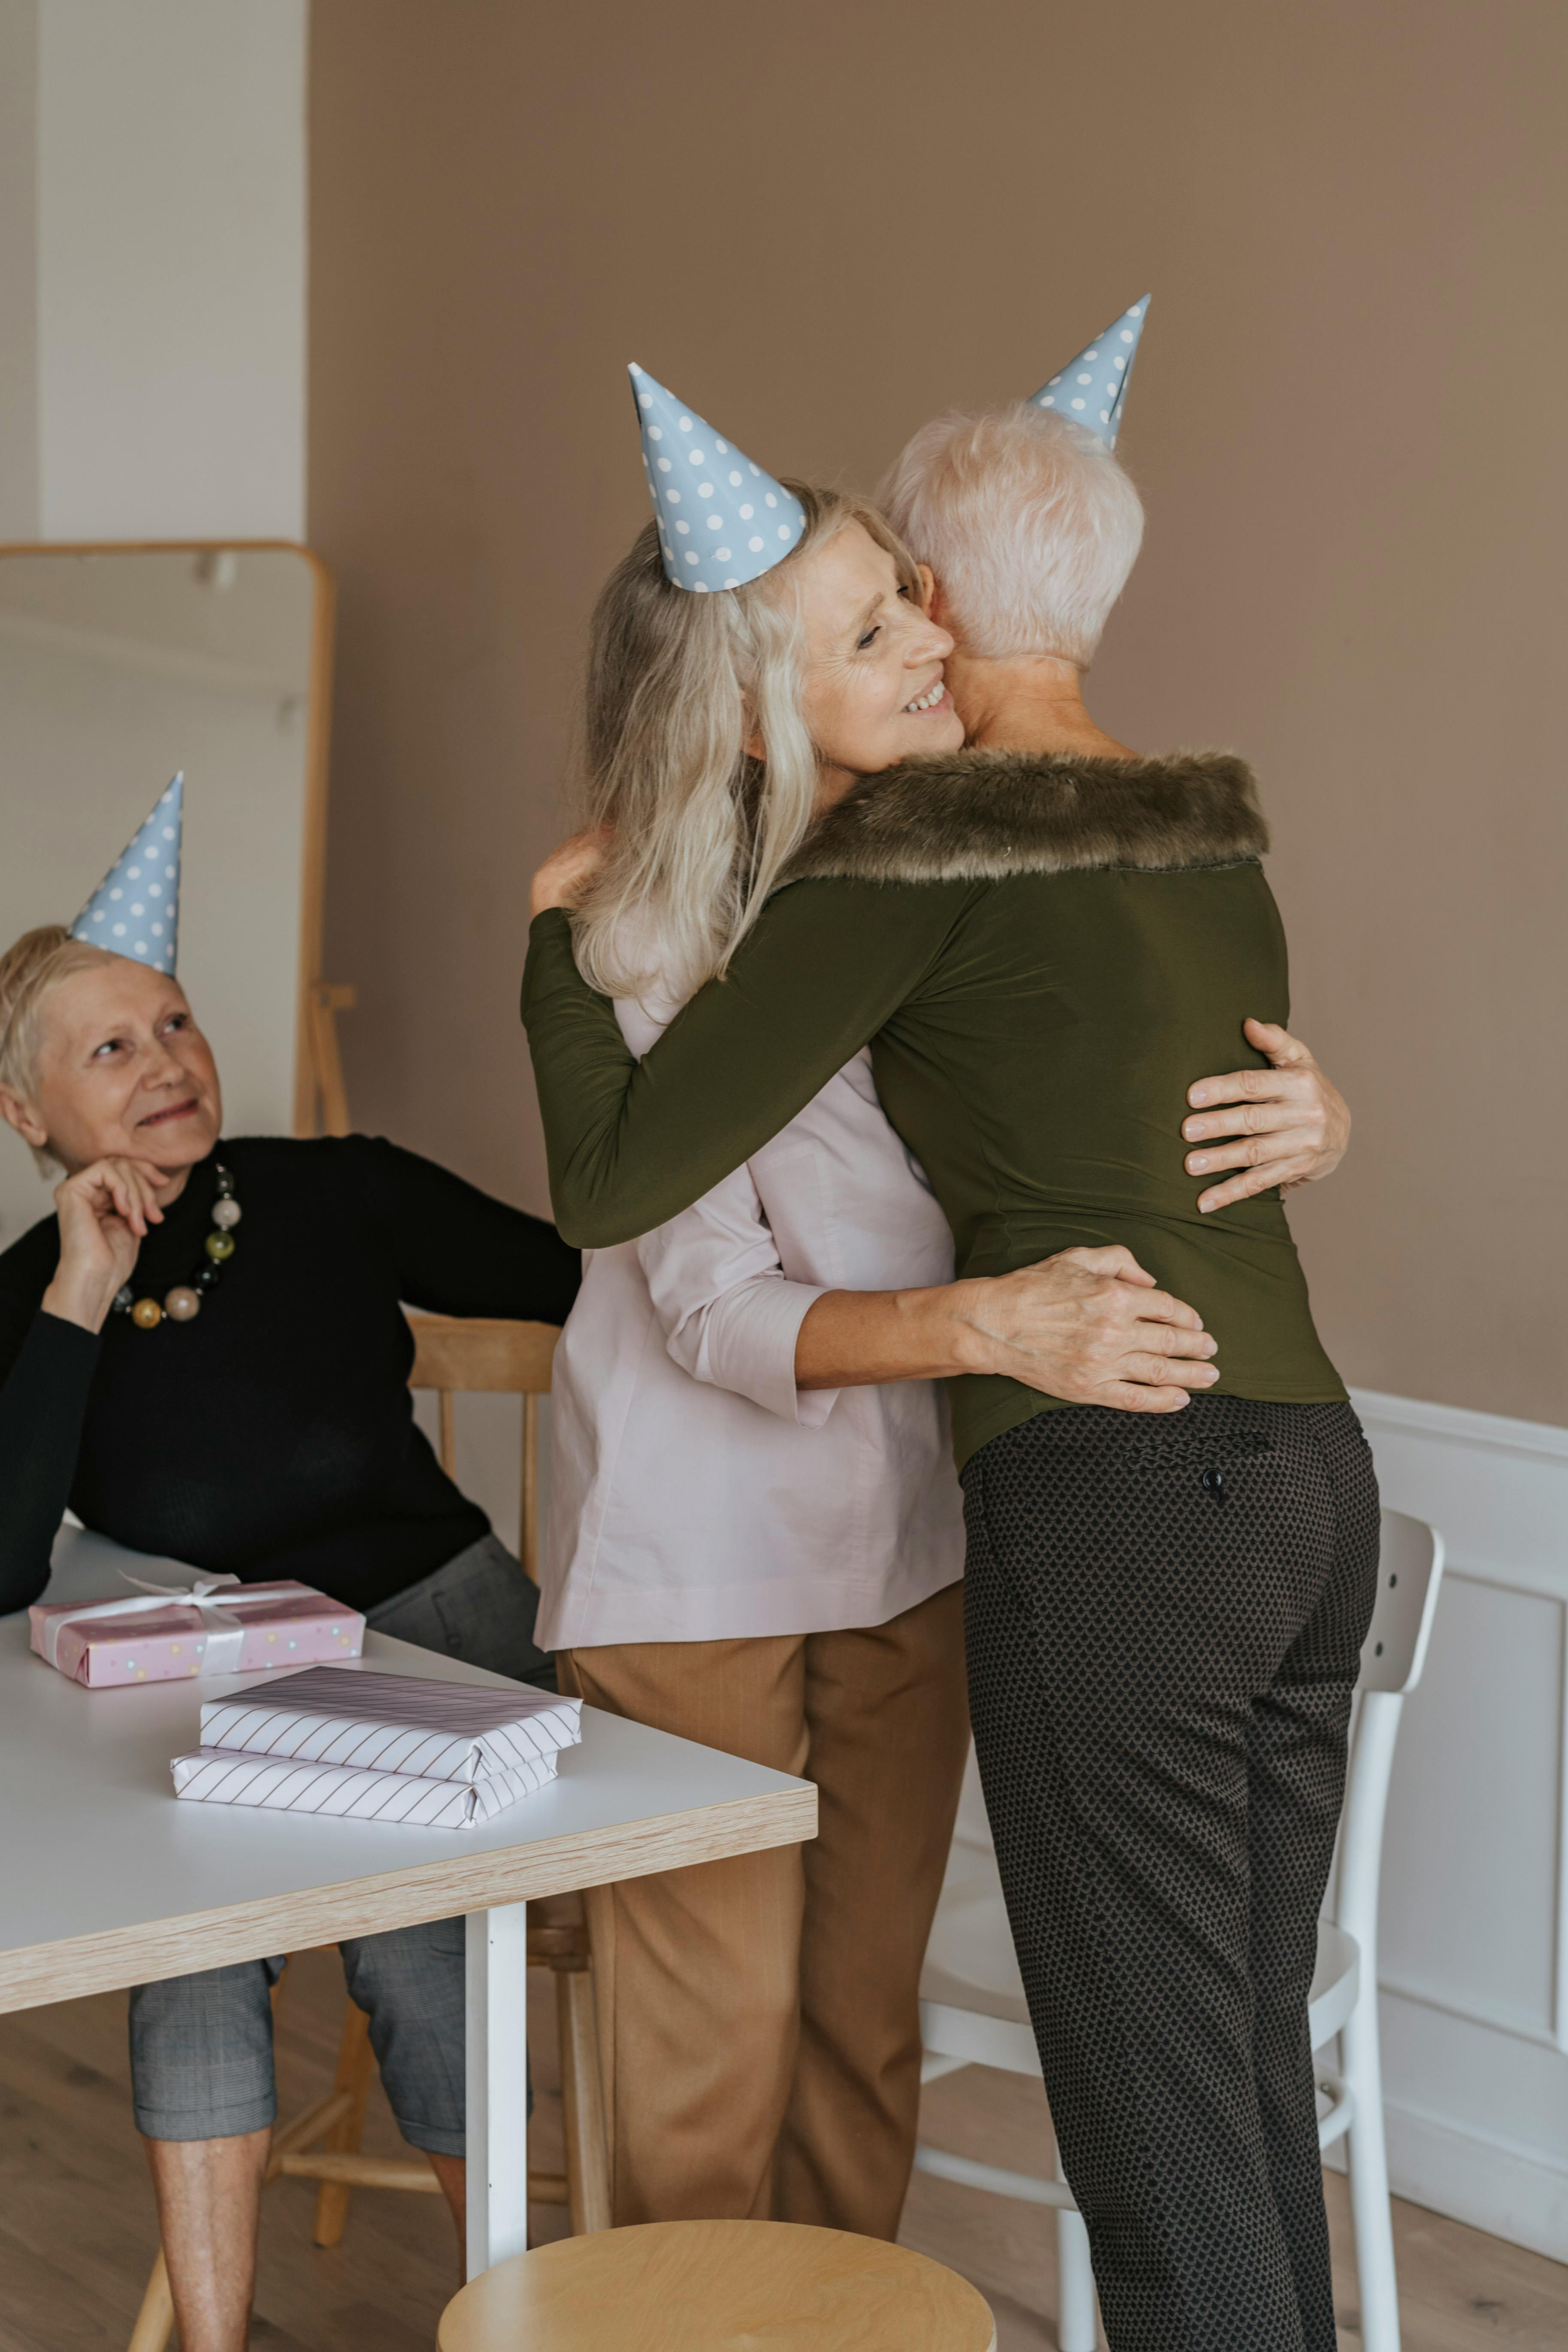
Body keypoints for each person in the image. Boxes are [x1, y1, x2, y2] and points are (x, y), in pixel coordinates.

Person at [522, 349, 1373, 2352]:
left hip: (1117, 1496)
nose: (911, 636)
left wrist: (554, 947)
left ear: (972, 611)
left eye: (913, 596)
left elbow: (623, 1159)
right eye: (868, 610)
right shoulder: (1193, 845)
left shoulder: (905, 863)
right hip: (1293, 1477)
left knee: (1157, 2126)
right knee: (1224, 2072)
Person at [0, 891, 578, 2352]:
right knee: (188, 1930)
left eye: (177, 1021)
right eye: (111, 1047)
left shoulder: (336, 1189)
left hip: (442, 1638)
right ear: (30, 1115)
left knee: (410, 1930)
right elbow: (6, 1565)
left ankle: (509, 2321)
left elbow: (597, 1290)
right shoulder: (30, 1291)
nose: (166, 1060)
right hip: (232, 1673)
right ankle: (216, 2340)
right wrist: (80, 1291)